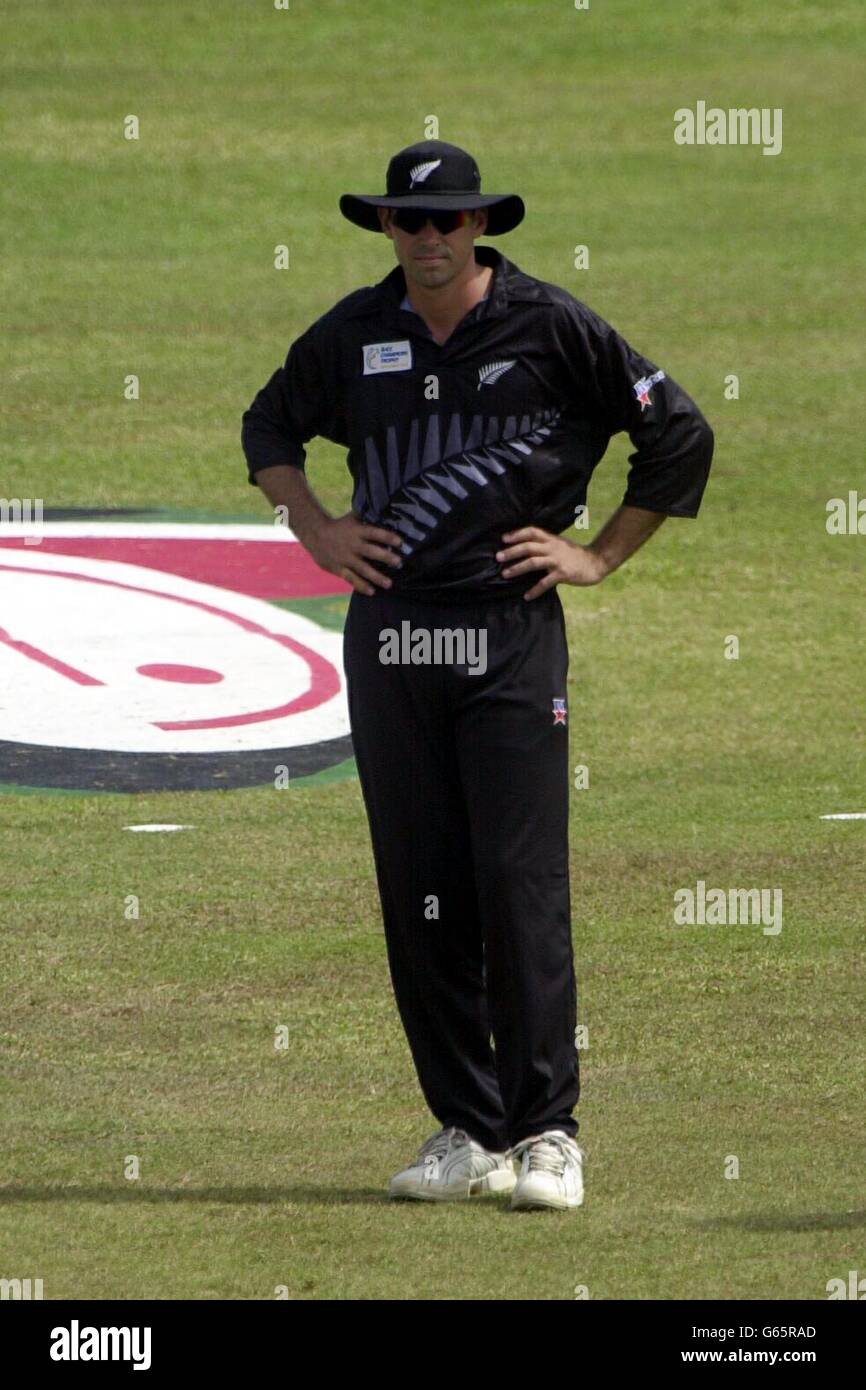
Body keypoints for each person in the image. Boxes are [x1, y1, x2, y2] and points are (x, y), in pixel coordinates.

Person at [241, 139, 713, 1211]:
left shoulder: (552, 327)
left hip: (506, 640)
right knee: (421, 885)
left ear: (480, 227)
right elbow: (267, 426)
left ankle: (549, 1133)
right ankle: (468, 1127)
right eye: (411, 223)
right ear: (386, 230)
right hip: (393, 640)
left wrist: (593, 556)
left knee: (518, 883)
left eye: (449, 221)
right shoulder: (355, 333)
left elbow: (675, 433)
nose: (431, 238)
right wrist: (316, 530)